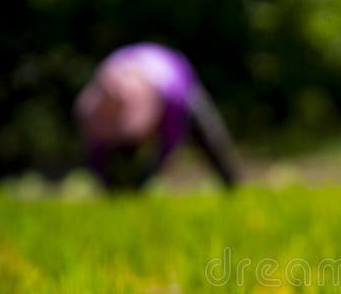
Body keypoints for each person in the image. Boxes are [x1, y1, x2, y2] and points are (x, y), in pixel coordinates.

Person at [74, 42, 242, 189]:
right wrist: (102, 178)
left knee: (211, 140)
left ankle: (232, 184)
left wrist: (150, 173)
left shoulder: (173, 95)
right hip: (145, 87)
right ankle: (118, 188)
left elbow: (171, 143)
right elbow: (96, 147)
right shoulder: (107, 81)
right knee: (122, 156)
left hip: (185, 94)